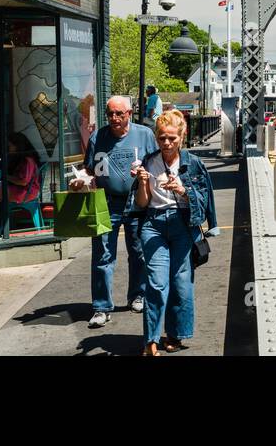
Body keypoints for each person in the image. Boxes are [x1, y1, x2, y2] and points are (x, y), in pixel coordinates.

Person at [133, 111, 220, 356]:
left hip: (183, 225)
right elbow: (142, 203)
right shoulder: (148, 162)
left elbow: (202, 204)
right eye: (162, 138)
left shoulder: (193, 163)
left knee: (181, 283)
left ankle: (175, 334)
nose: (167, 143)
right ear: (156, 138)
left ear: (182, 137)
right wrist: (142, 183)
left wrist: (182, 190)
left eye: (172, 138)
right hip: (154, 225)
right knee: (157, 284)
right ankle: (150, 340)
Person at [84, 95, 156, 328]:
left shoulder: (144, 135)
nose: (114, 118)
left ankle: (138, 295)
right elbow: (89, 170)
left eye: (119, 114)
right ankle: (101, 307)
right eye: (110, 114)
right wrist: (82, 181)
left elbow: (158, 164)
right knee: (103, 254)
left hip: (137, 201)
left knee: (139, 252)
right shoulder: (98, 137)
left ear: (129, 114)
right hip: (106, 203)